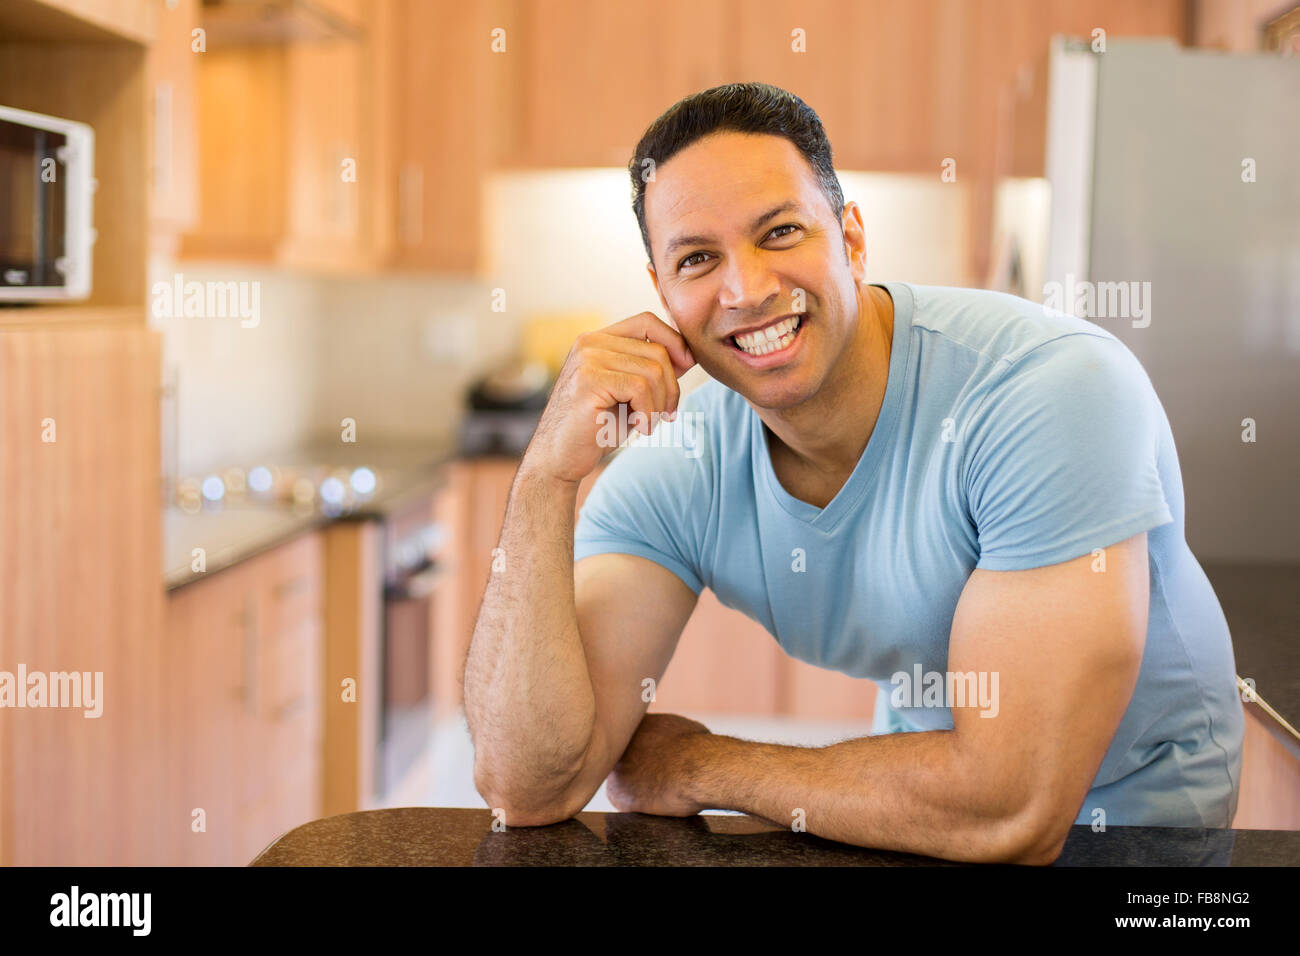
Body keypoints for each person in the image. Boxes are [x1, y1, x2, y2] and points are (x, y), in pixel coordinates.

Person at [462, 82, 1245, 864]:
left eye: (781, 232)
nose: (747, 290)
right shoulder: (686, 461)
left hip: (1137, 842)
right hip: (910, 815)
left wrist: (705, 765)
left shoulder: (1048, 390)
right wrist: (544, 479)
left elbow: (1014, 810)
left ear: (853, 239)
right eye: (698, 258)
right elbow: (528, 789)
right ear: (663, 294)